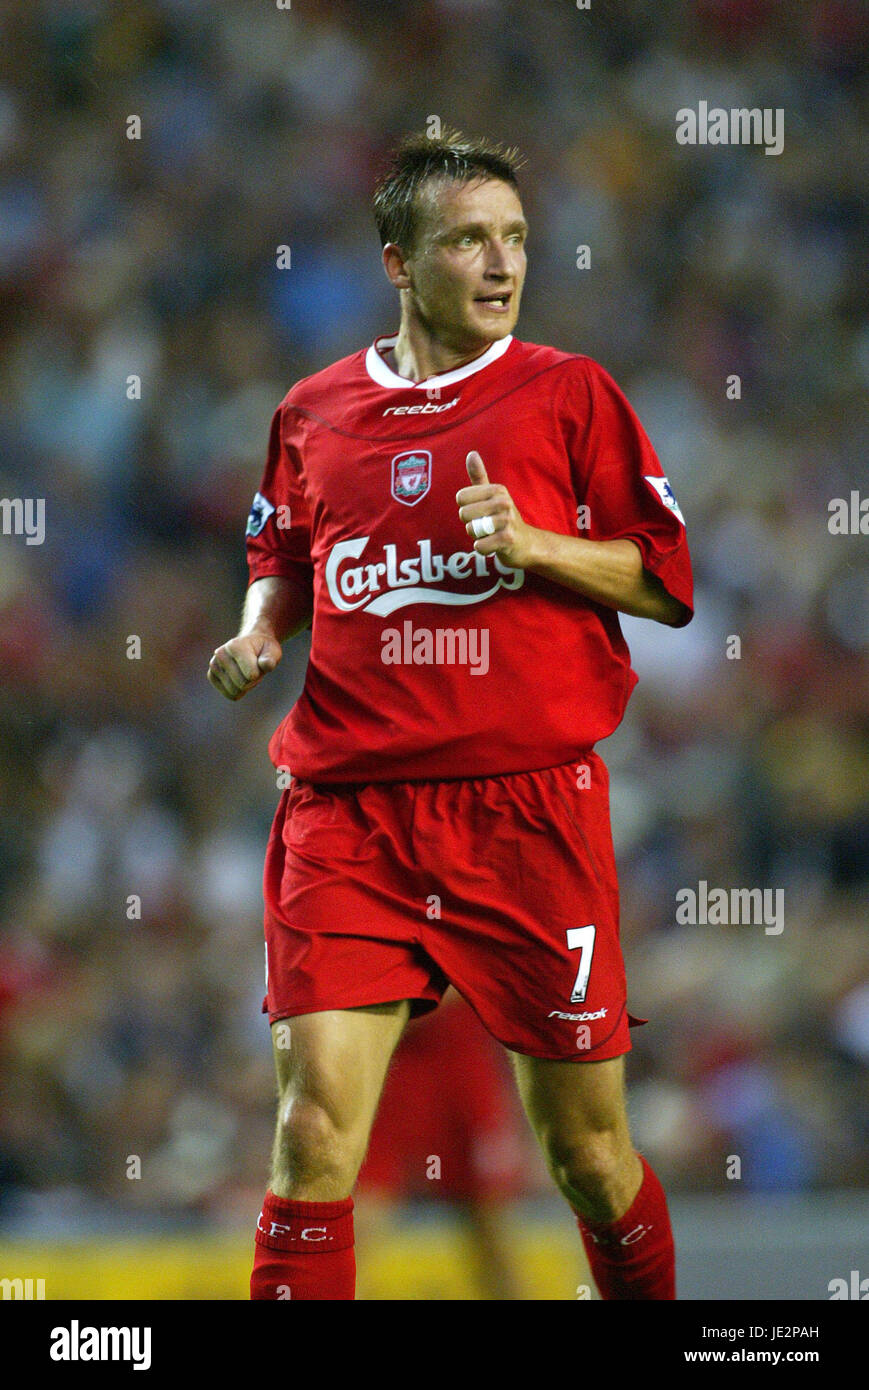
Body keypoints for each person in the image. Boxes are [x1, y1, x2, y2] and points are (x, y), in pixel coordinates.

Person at [207, 131, 694, 1301]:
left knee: (584, 1154)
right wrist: (261, 628)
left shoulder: (568, 392)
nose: (499, 263)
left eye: (514, 239)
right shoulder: (313, 411)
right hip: (348, 808)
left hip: (526, 814)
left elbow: (664, 579)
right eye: (468, 239)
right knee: (316, 1130)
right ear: (396, 260)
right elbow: (281, 549)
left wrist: (531, 544)